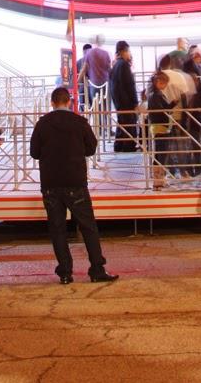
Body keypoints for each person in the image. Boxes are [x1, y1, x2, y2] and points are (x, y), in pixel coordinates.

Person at [29, 86, 118, 284]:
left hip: (51, 184)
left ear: (52, 102)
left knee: (58, 229)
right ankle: (97, 268)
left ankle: (65, 273)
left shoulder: (43, 124)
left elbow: (34, 152)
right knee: (88, 226)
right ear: (69, 101)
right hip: (75, 181)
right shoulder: (79, 122)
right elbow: (91, 147)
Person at [147, 71, 177, 189]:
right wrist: (171, 106)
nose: (166, 86)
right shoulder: (156, 95)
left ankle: (159, 179)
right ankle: (158, 181)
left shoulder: (154, 94)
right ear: (159, 82)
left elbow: (163, 109)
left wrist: (171, 105)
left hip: (159, 126)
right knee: (161, 154)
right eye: (165, 83)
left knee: (161, 153)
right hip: (160, 127)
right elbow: (162, 110)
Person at [109, 42, 139, 152]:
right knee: (129, 123)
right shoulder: (124, 65)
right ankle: (128, 147)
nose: (129, 54)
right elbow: (130, 85)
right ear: (123, 51)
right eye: (128, 51)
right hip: (126, 101)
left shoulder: (116, 65)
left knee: (122, 123)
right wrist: (135, 102)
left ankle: (118, 145)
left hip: (118, 101)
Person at [83, 36, 112, 107]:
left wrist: (77, 82)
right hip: (105, 83)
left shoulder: (89, 53)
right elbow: (109, 68)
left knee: (96, 107)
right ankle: (106, 118)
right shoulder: (106, 53)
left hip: (94, 84)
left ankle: (97, 118)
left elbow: (84, 68)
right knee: (106, 106)